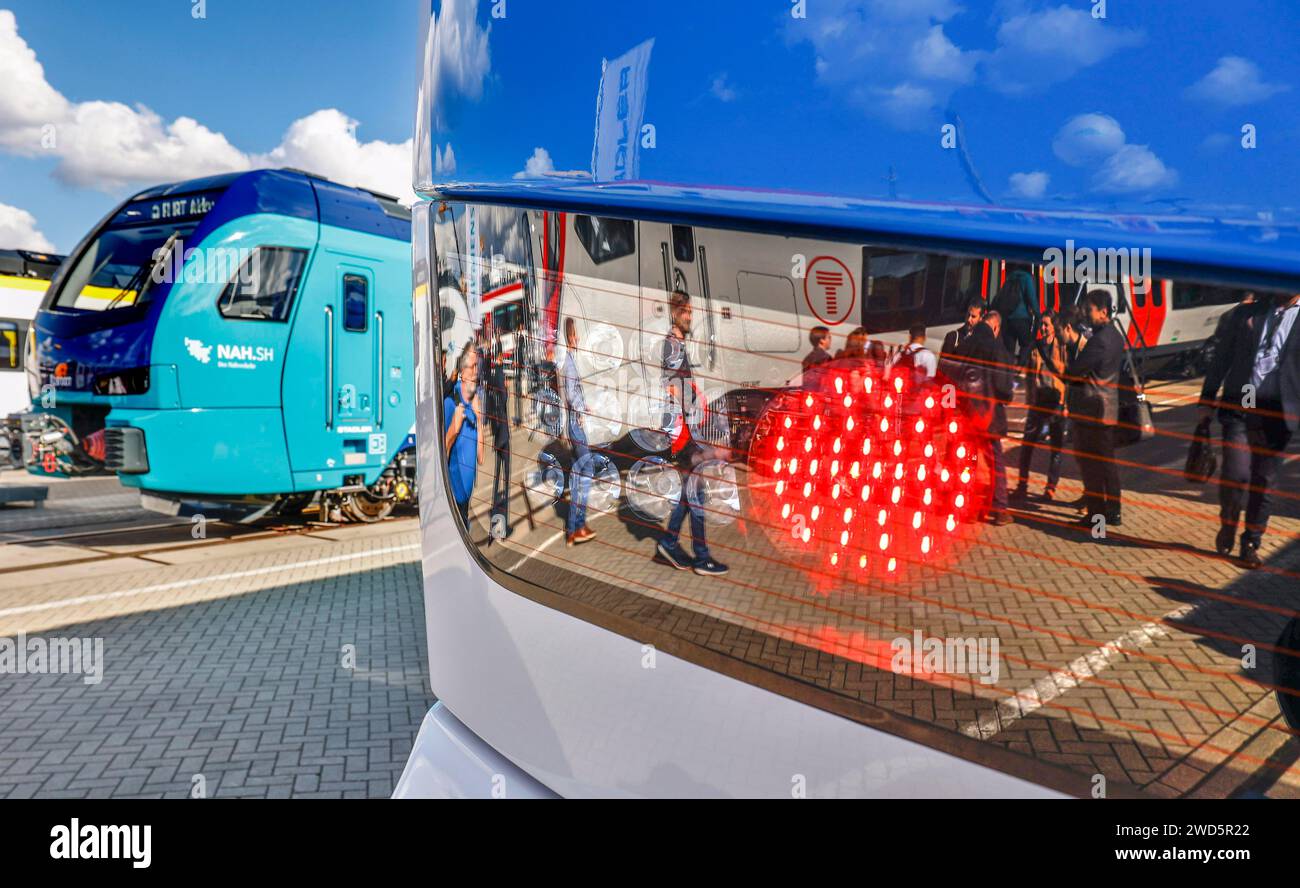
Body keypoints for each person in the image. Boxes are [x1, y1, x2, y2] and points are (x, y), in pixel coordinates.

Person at [1199, 291, 1300, 568]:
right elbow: (1222, 358)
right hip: (1241, 406)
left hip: (1279, 413)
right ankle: (1228, 520)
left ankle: (1251, 541)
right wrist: (1207, 399)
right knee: (1236, 473)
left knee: (1264, 481)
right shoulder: (1246, 313)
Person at [654, 290, 728, 576]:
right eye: (686, 312)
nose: (690, 316)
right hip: (682, 432)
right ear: (675, 313)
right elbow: (670, 384)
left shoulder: (678, 344)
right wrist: (691, 407)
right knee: (696, 492)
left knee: (691, 491)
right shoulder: (672, 344)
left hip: (684, 428)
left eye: (690, 311)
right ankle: (701, 557)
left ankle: (670, 541)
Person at [1066, 289, 1126, 527]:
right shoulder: (1117, 336)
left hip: (1093, 411)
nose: (1086, 314)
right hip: (1109, 410)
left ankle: (1096, 514)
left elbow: (1074, 371)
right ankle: (1114, 510)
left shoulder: (1098, 342)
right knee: (1108, 464)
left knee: (1091, 465)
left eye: (1090, 310)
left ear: (1103, 311)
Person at [953, 310, 1015, 524]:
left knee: (968, 461)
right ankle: (999, 509)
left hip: (966, 413)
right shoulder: (996, 347)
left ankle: (967, 508)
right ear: (996, 327)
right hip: (989, 415)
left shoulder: (965, 344)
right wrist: (1005, 396)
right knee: (995, 461)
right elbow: (1002, 385)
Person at [1015, 312, 1068, 501]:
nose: (1043, 328)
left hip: (1056, 402)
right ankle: (1022, 485)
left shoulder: (1062, 346)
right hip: (1038, 402)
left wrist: (1065, 402)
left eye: (1046, 325)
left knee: (1056, 448)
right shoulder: (1035, 348)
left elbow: (1067, 374)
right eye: (1041, 324)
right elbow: (1030, 375)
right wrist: (1030, 400)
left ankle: (1050, 487)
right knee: (1027, 446)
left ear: (1054, 327)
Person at [560, 317, 595, 546]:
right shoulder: (570, 363)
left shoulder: (568, 361)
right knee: (588, 469)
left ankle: (573, 530)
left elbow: (572, 393)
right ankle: (579, 525)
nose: (578, 338)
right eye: (576, 335)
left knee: (576, 474)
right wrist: (581, 408)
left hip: (573, 422)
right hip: (576, 424)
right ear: (570, 337)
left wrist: (584, 404)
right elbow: (572, 396)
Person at [443, 341, 484, 526]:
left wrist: (479, 417)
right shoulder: (450, 403)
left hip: (466, 494)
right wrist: (453, 430)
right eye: (472, 366)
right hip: (454, 496)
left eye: (478, 366)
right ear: (461, 371)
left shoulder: (474, 401)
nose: (476, 371)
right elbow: (442, 451)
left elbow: (481, 457)